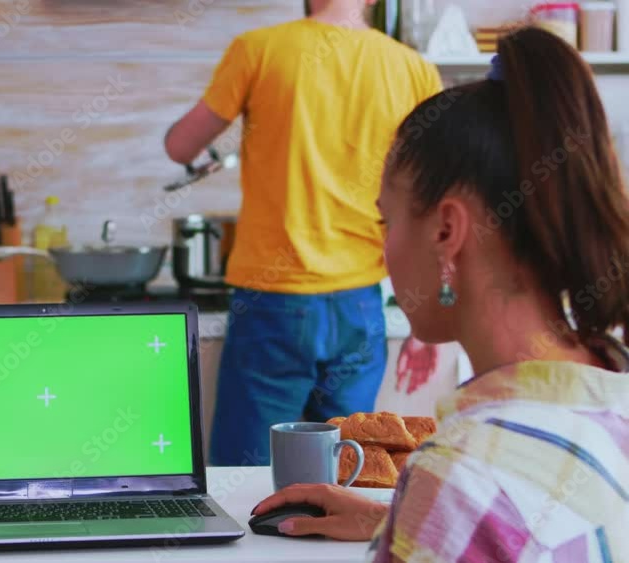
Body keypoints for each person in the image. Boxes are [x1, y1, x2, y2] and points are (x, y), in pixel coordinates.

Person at [252, 27, 629, 561]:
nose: (383, 245)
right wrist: (396, 523)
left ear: (446, 232)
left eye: (387, 220)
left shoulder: (458, 477)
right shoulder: (612, 395)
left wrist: (428, 515)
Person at [163, 0, 444, 466]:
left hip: (273, 302)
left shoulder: (259, 49)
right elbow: (430, 200)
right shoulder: (412, 68)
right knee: (345, 472)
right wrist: (426, 322)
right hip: (359, 304)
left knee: (246, 477)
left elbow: (180, 146)